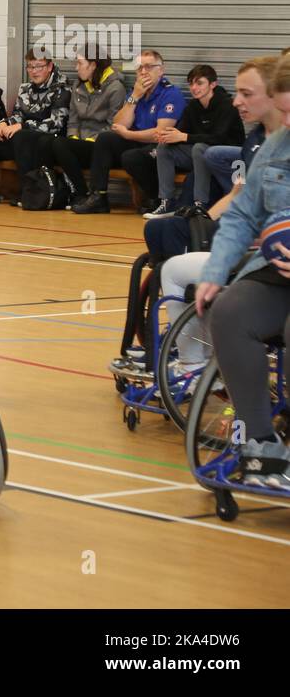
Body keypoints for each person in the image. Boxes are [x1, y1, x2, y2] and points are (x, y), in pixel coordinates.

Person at [194, 55, 290, 490]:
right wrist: (215, 270)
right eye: (284, 112)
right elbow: (242, 216)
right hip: (276, 269)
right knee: (228, 311)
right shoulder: (276, 146)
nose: (287, 121)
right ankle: (263, 446)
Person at [72, 50, 185, 215]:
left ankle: (156, 198)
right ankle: (98, 196)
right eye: (140, 68)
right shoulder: (136, 92)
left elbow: (161, 133)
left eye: (148, 67)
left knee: (132, 157)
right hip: (137, 141)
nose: (143, 72)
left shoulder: (171, 94)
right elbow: (118, 124)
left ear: (161, 70)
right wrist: (135, 97)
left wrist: (129, 135)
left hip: (159, 146)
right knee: (105, 139)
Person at [0, 49, 71, 204]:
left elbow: (56, 124)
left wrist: (23, 126)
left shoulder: (62, 89)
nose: (34, 71)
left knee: (21, 136)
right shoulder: (25, 88)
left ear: (49, 67)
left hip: (46, 141)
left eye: (39, 66)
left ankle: (27, 190)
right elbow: (17, 114)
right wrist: (4, 123)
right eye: (30, 67)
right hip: (22, 140)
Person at [143, 64, 244, 219]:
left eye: (199, 83)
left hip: (227, 157)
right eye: (191, 83)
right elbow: (181, 132)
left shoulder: (227, 105)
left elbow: (219, 138)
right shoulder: (193, 106)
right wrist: (167, 136)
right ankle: (167, 202)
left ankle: (200, 204)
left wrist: (184, 137)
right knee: (164, 148)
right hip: (201, 155)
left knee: (199, 147)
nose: (194, 88)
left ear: (213, 84)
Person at [50, 51, 126, 203]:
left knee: (59, 144)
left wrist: (91, 140)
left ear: (93, 65)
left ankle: (81, 193)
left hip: (99, 146)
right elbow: (73, 118)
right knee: (46, 142)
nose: (76, 68)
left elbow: (114, 125)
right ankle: (49, 191)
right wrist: (73, 136)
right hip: (80, 141)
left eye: (80, 63)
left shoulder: (116, 88)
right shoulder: (78, 85)